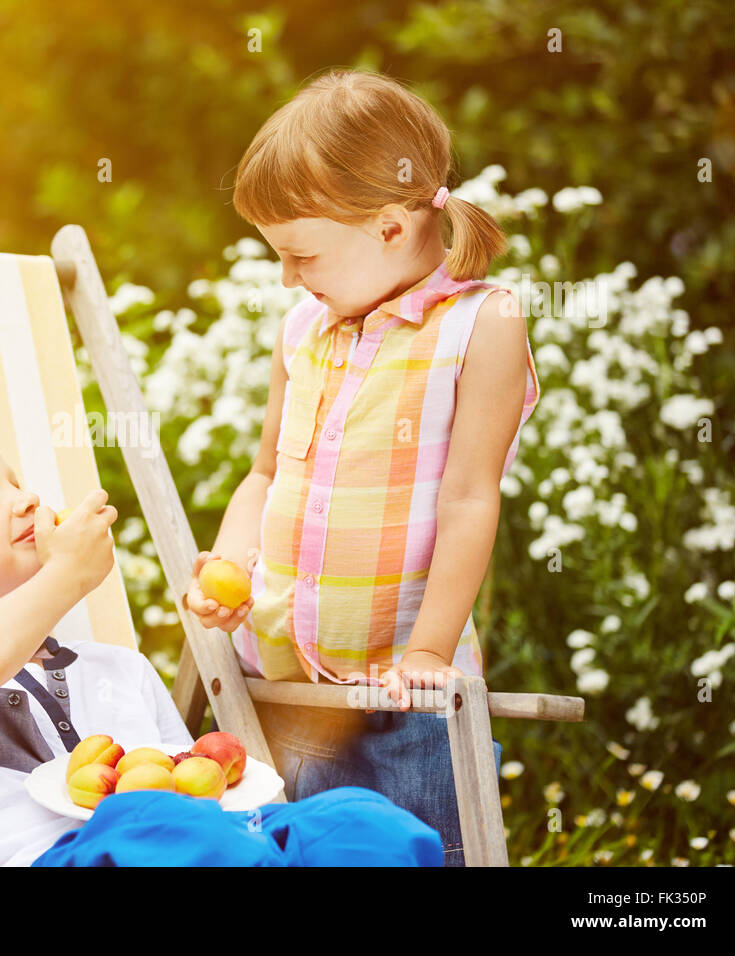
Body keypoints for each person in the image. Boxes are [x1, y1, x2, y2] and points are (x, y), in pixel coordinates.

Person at [0, 412, 444, 866]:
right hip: (51, 858)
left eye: (19, 482)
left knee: (359, 822)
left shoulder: (117, 666)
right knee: (157, 827)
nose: (26, 500)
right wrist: (67, 576)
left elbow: (186, 777)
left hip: (206, 838)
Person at [184, 69, 541, 866]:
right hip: (285, 683)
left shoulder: (482, 324)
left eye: (298, 254)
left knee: (417, 853)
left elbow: (470, 499)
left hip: (402, 699)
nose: (286, 277)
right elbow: (265, 475)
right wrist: (229, 565)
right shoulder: (303, 328)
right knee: (283, 853)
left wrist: (429, 652)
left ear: (386, 227)